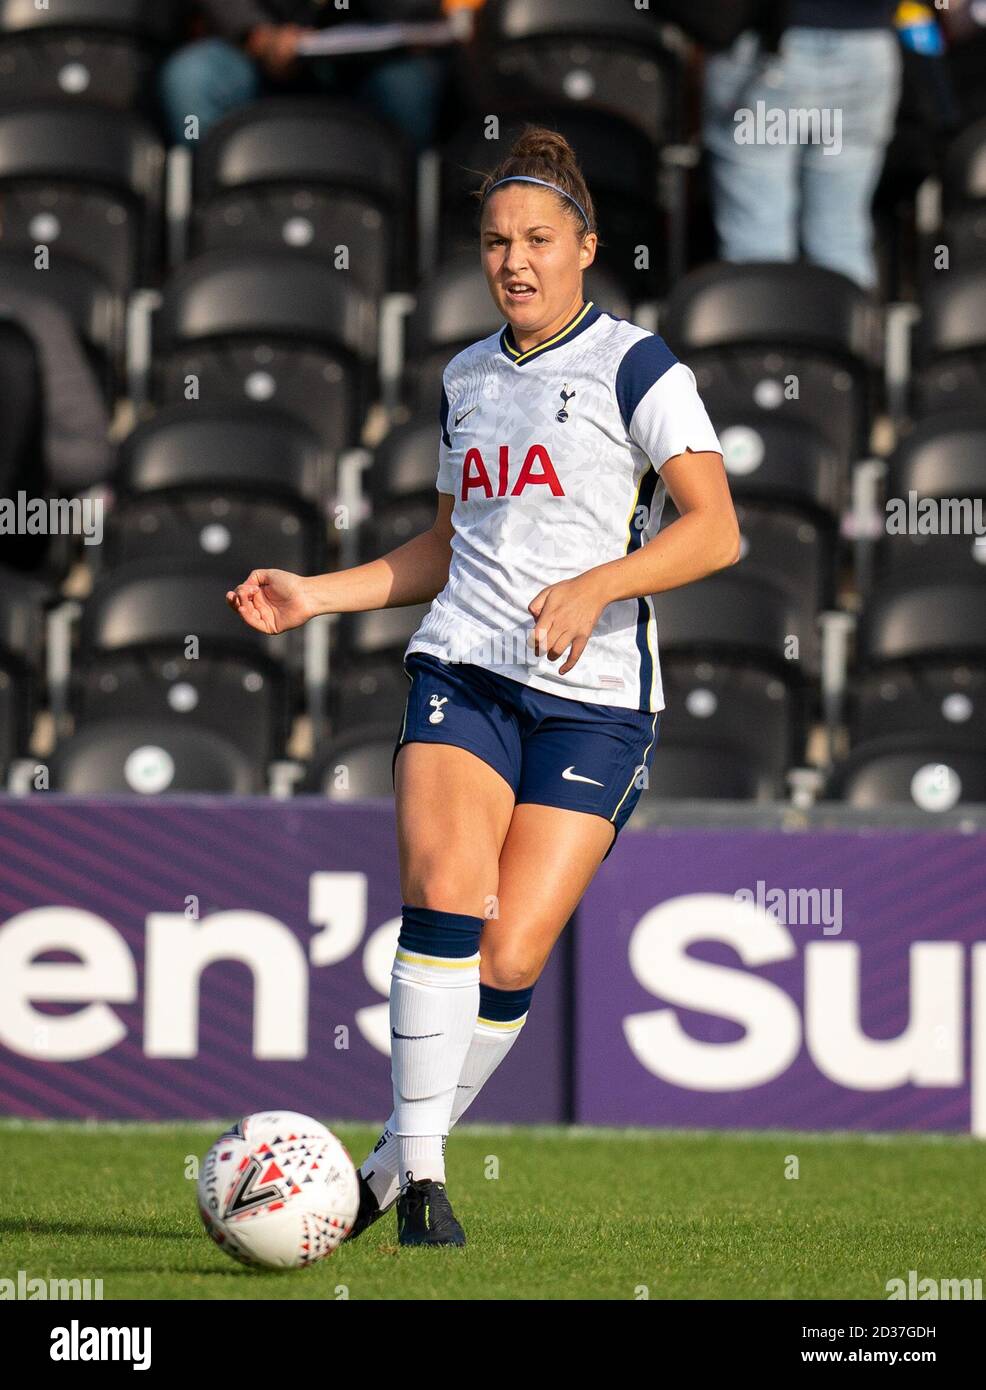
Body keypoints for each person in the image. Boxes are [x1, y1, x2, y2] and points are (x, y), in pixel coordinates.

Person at [226, 127, 740, 1246]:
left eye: (538, 239)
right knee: (448, 893)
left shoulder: (638, 365)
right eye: (497, 241)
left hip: (596, 697)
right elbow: (451, 549)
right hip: (463, 666)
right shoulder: (464, 376)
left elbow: (715, 531)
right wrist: (317, 594)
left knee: (509, 956)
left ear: (585, 248)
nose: (514, 259)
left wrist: (595, 584)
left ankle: (372, 1172)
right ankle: (423, 1184)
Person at [702, 0, 903, 289]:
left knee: (759, 242)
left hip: (769, 43)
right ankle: (847, 332)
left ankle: (769, 330)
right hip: (864, 44)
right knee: (840, 238)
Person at [158, 0, 475, 150]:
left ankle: (395, 221)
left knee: (409, 88)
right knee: (193, 76)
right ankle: (211, 213)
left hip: (371, 58)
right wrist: (258, 35)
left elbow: (417, 13)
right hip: (261, 46)